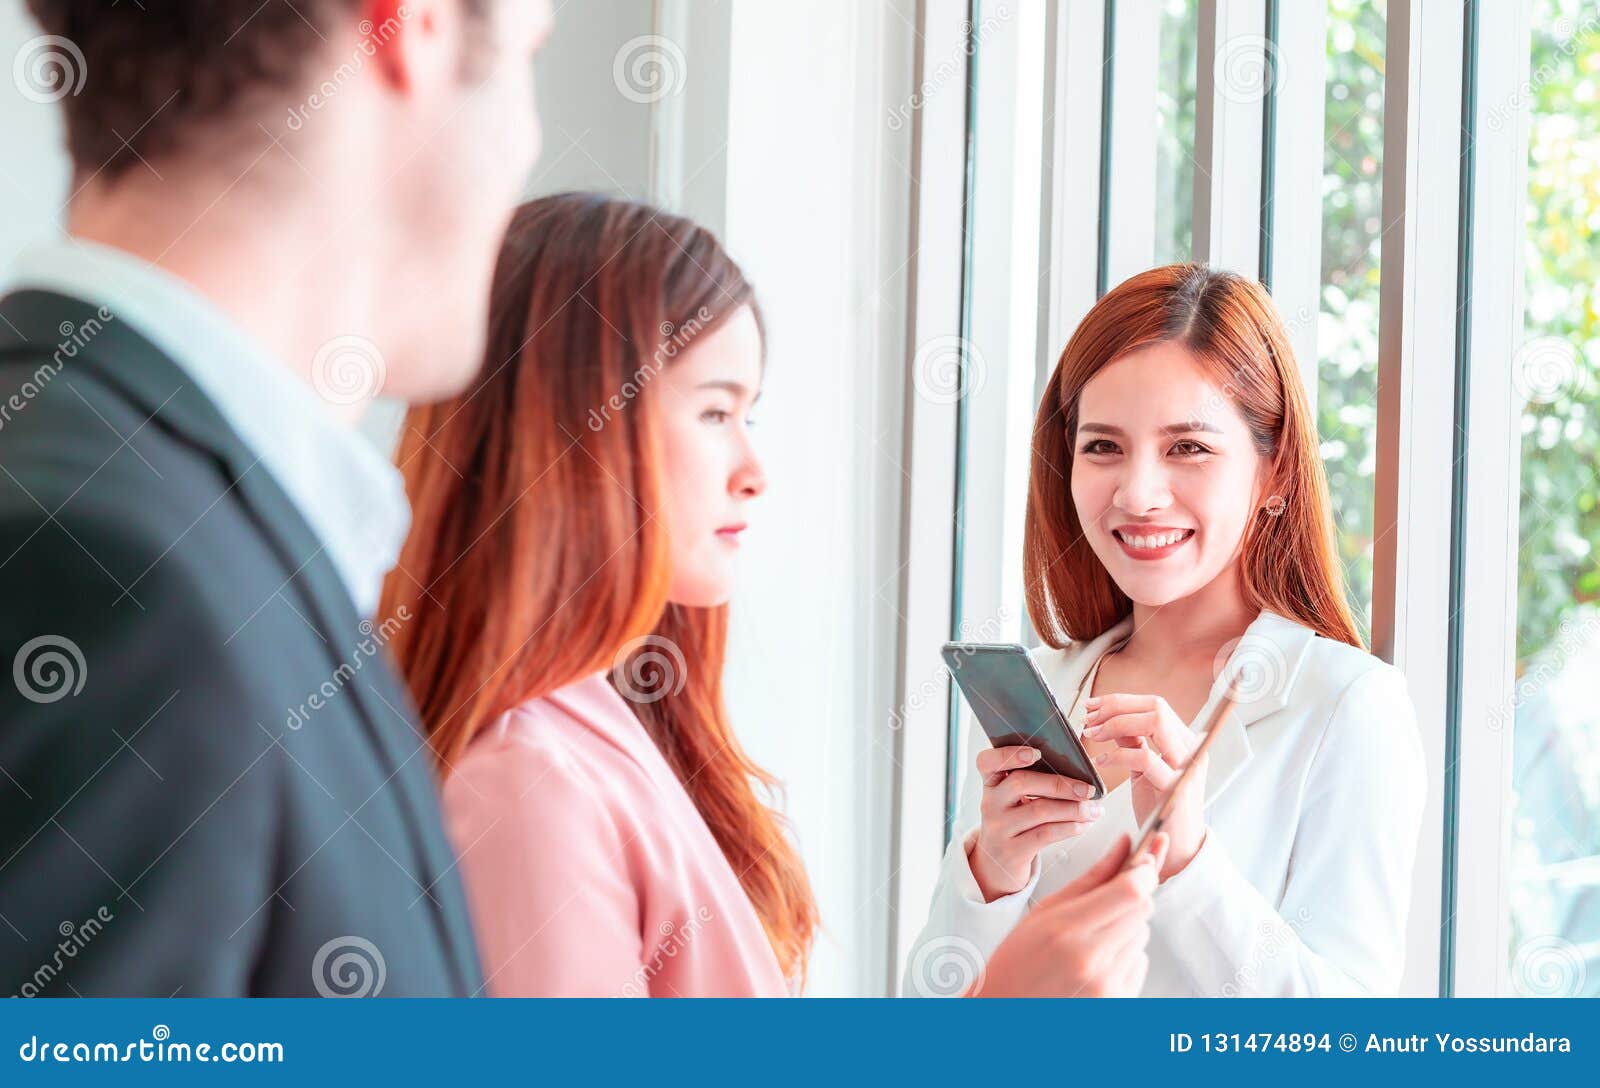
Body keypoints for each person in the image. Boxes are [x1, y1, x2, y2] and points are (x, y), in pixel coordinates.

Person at [380, 193, 1168, 998]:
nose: (754, 471)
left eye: (748, 412)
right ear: (570, 430)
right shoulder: (527, 785)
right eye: (716, 409)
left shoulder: (607, 728)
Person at [0, 0, 551, 996]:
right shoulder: (116, 570)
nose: (529, 142)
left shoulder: (163, 514)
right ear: (409, 28)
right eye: (527, 55)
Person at [908, 264, 1428, 997]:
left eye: (1188, 447)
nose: (1137, 493)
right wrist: (990, 873)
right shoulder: (1041, 691)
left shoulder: (1347, 706)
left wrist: (1187, 860)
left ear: (1274, 471)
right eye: (1102, 447)